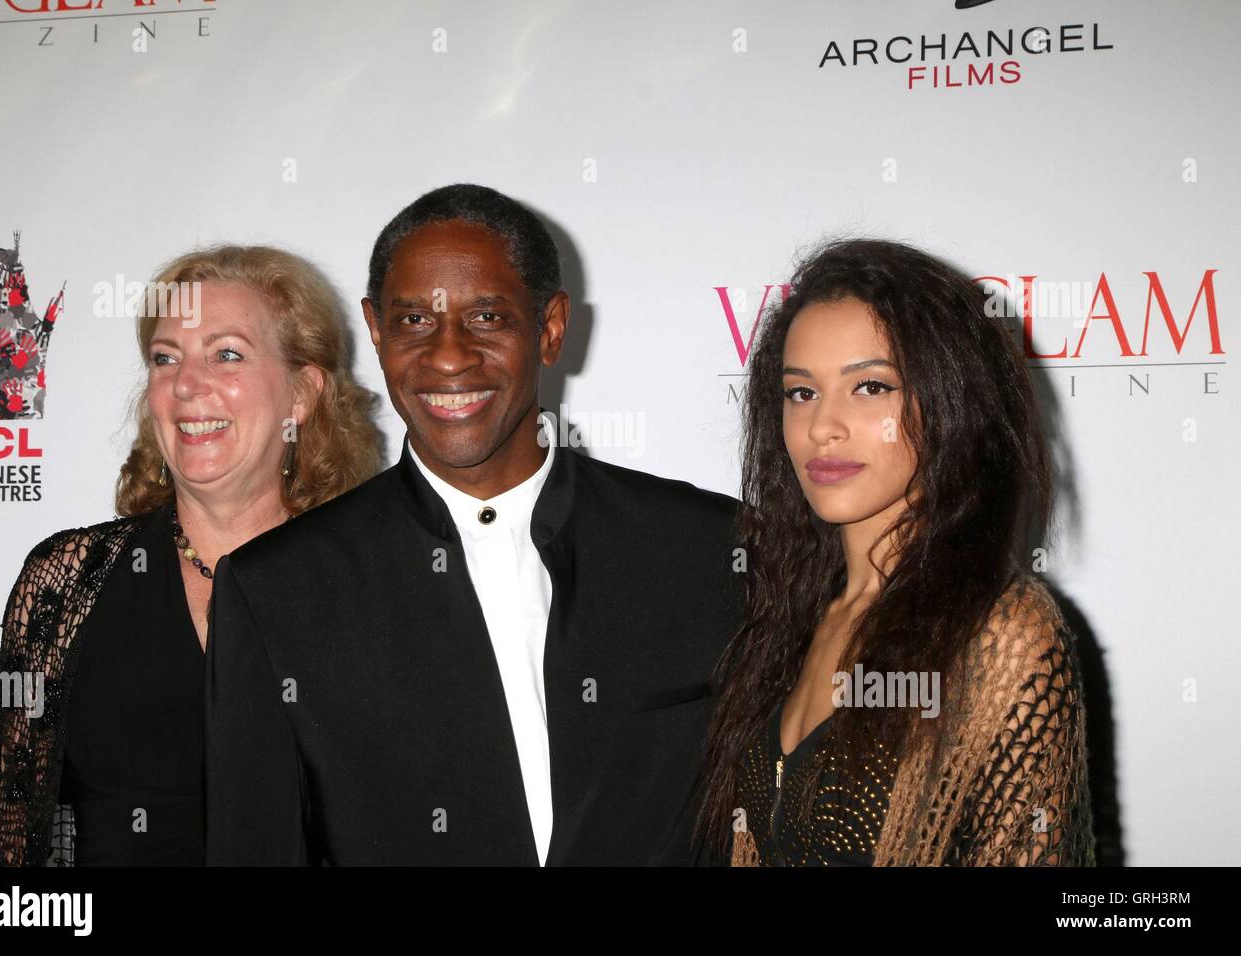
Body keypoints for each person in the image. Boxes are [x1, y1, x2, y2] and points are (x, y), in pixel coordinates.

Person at [204, 184, 742, 865]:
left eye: (486, 317)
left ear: (549, 329)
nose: (449, 356)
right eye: (413, 323)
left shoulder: (707, 548)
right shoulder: (278, 591)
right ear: (375, 331)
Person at [0, 245, 380, 865]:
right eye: (164, 359)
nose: (186, 383)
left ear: (303, 392)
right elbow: (5, 846)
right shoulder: (64, 582)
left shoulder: (371, 588)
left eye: (227, 354)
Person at [696, 238, 1096, 866]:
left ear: (948, 404)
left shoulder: (1002, 634)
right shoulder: (791, 618)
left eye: (870, 387)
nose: (823, 425)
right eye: (801, 392)